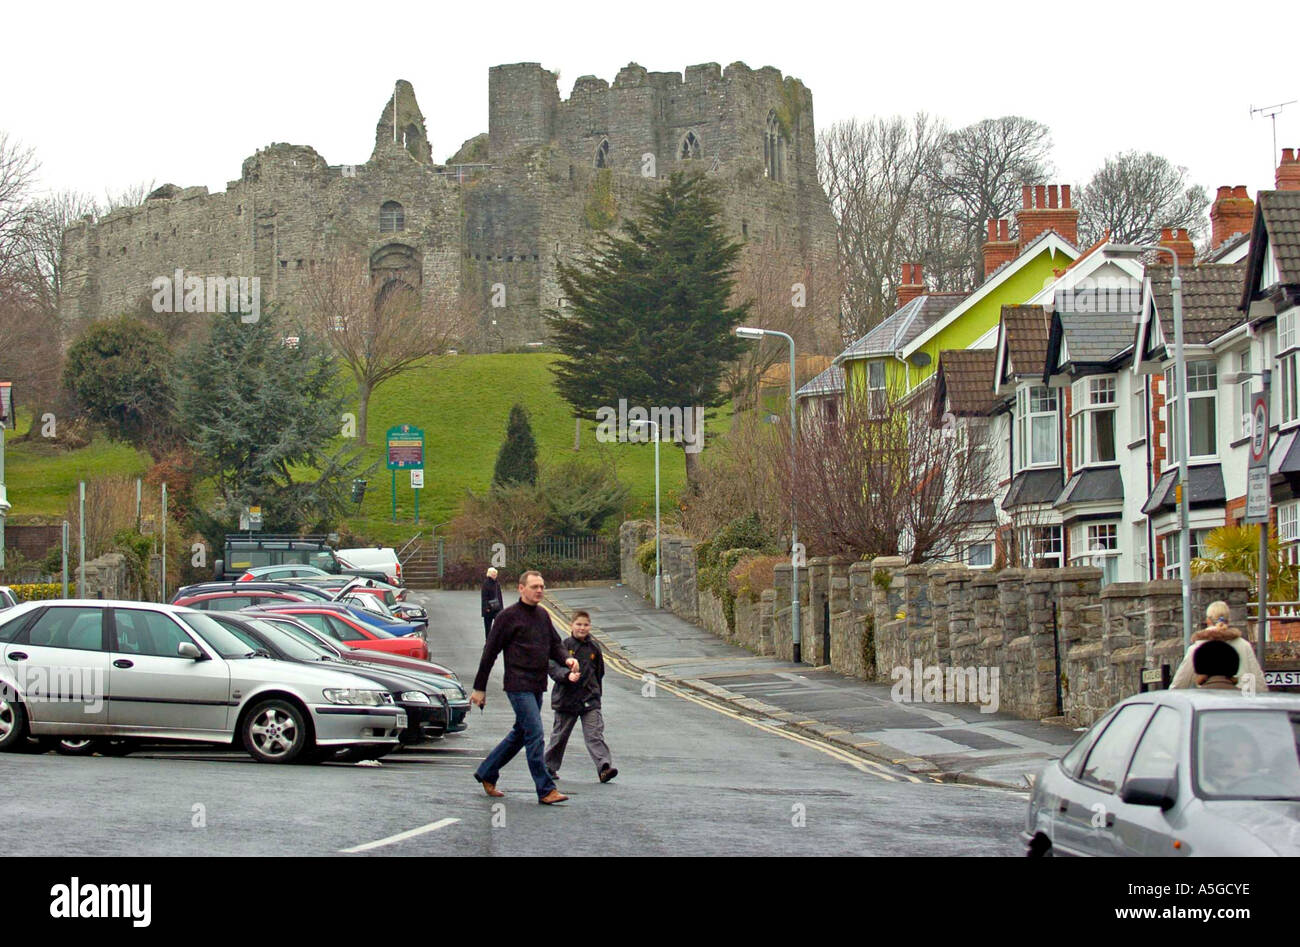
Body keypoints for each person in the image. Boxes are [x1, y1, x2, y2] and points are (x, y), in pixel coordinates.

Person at [470, 570, 578, 805]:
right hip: (517, 685)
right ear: (521, 588)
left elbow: (555, 645)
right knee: (535, 733)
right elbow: (489, 653)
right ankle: (545, 789)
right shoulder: (507, 617)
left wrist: (567, 660)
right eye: (534, 587)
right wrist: (480, 688)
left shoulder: (542, 615)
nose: (539, 590)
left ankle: (488, 771)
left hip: (537, 684)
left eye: (541, 586)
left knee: (521, 734)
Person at [544, 611, 617, 785]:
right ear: (571, 625)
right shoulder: (564, 646)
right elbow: (552, 667)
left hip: (589, 700)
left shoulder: (594, 648)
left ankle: (604, 768)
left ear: (590, 626)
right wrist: (566, 675)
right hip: (567, 699)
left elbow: (599, 672)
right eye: (579, 624)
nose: (582, 628)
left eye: (585, 625)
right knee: (559, 737)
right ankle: (548, 767)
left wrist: (595, 692)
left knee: (595, 735)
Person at [1171, 600, 1268, 692]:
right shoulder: (1244, 645)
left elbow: (1181, 681)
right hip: (1240, 702)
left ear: (1208, 620)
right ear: (1228, 620)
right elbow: (1258, 681)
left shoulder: (1197, 647)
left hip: (1210, 701)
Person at [481, 566, 504, 639]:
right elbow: (484, 597)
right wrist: (486, 607)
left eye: (495, 574)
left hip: (497, 607)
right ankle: (488, 643)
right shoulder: (486, 584)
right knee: (488, 628)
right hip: (488, 609)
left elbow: (499, 596)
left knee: (499, 625)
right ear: (489, 574)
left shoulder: (497, 583)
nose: (495, 575)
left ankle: (496, 641)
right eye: (493, 574)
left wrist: (501, 608)